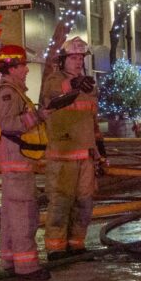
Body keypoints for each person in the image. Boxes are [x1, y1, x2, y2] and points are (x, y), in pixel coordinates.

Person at [0, 44, 61, 281]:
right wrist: (38, 116)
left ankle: (11, 261)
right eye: (22, 66)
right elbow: (9, 124)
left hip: (17, 165)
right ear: (11, 68)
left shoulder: (13, 91)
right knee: (24, 216)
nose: (27, 70)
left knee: (12, 216)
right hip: (17, 165)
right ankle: (27, 267)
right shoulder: (8, 93)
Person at [39, 35, 102, 259]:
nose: (77, 62)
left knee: (84, 203)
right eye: (73, 57)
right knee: (60, 202)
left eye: (80, 58)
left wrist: (100, 151)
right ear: (63, 60)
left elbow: (92, 121)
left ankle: (77, 243)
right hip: (62, 156)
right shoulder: (53, 80)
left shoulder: (89, 86)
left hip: (85, 156)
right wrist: (73, 84)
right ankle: (56, 247)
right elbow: (53, 97)